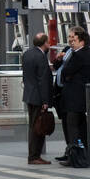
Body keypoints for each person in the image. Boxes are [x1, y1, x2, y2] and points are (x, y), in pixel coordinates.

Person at [57, 26, 90, 167]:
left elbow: (66, 71)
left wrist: (68, 76)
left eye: (73, 39)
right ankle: (82, 154)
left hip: (74, 96)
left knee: (73, 126)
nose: (70, 42)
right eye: (69, 39)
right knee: (80, 126)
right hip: (79, 95)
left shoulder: (80, 55)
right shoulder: (84, 53)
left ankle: (75, 157)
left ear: (82, 41)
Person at [21, 32, 53, 165]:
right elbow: (43, 81)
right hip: (38, 97)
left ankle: (33, 155)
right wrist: (45, 101)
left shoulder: (27, 54)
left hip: (29, 95)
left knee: (33, 126)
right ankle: (34, 156)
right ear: (45, 43)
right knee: (38, 127)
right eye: (48, 41)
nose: (49, 44)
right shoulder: (41, 57)